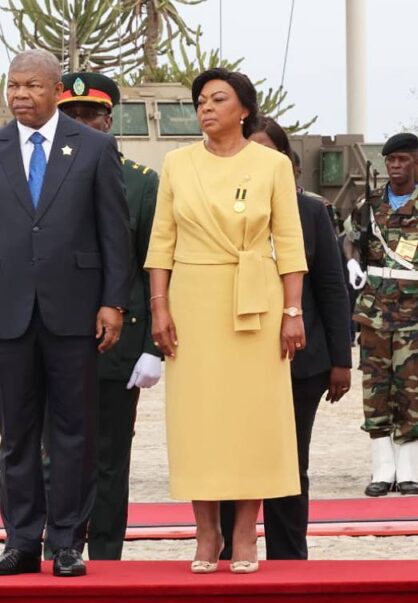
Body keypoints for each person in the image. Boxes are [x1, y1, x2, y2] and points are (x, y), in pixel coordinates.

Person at [0, 49, 130, 577]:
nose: (20, 95)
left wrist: (113, 301)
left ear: (57, 91)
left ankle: (67, 542)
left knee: (74, 431)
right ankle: (21, 542)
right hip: (6, 312)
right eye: (12, 86)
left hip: (74, 313)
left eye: (31, 86)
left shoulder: (95, 148)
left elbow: (113, 234)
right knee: (17, 433)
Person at [146, 68, 307, 575]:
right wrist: (160, 305)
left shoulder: (272, 164)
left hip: (255, 304)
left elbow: (291, 245)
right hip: (193, 300)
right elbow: (161, 242)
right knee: (199, 419)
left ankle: (244, 532)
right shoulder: (176, 163)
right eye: (199, 102)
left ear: (244, 109)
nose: (206, 108)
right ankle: (205, 530)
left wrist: (292, 311)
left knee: (250, 419)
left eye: (218, 99)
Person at [218, 117, 352, 561]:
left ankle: (288, 557)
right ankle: (228, 548)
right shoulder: (218, 208)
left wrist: (340, 360)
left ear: (286, 162)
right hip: (235, 356)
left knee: (289, 461)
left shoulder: (310, 211)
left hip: (298, 362)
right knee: (232, 457)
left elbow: (331, 287)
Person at [55, 71, 163, 560]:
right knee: (52, 455)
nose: (82, 124)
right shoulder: (40, 176)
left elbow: (153, 269)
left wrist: (151, 349)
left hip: (117, 343)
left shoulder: (141, 184)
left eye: (90, 115)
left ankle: (103, 555)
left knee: (109, 457)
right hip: (54, 338)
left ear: (109, 119)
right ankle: (56, 546)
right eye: (70, 116)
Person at [344, 133, 418, 497]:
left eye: (403, 160)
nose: (395, 166)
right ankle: (382, 469)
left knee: (412, 387)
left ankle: (408, 470)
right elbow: (350, 236)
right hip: (374, 309)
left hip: (415, 313)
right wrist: (351, 260)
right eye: (390, 160)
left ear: (415, 161)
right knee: (375, 387)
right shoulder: (369, 202)